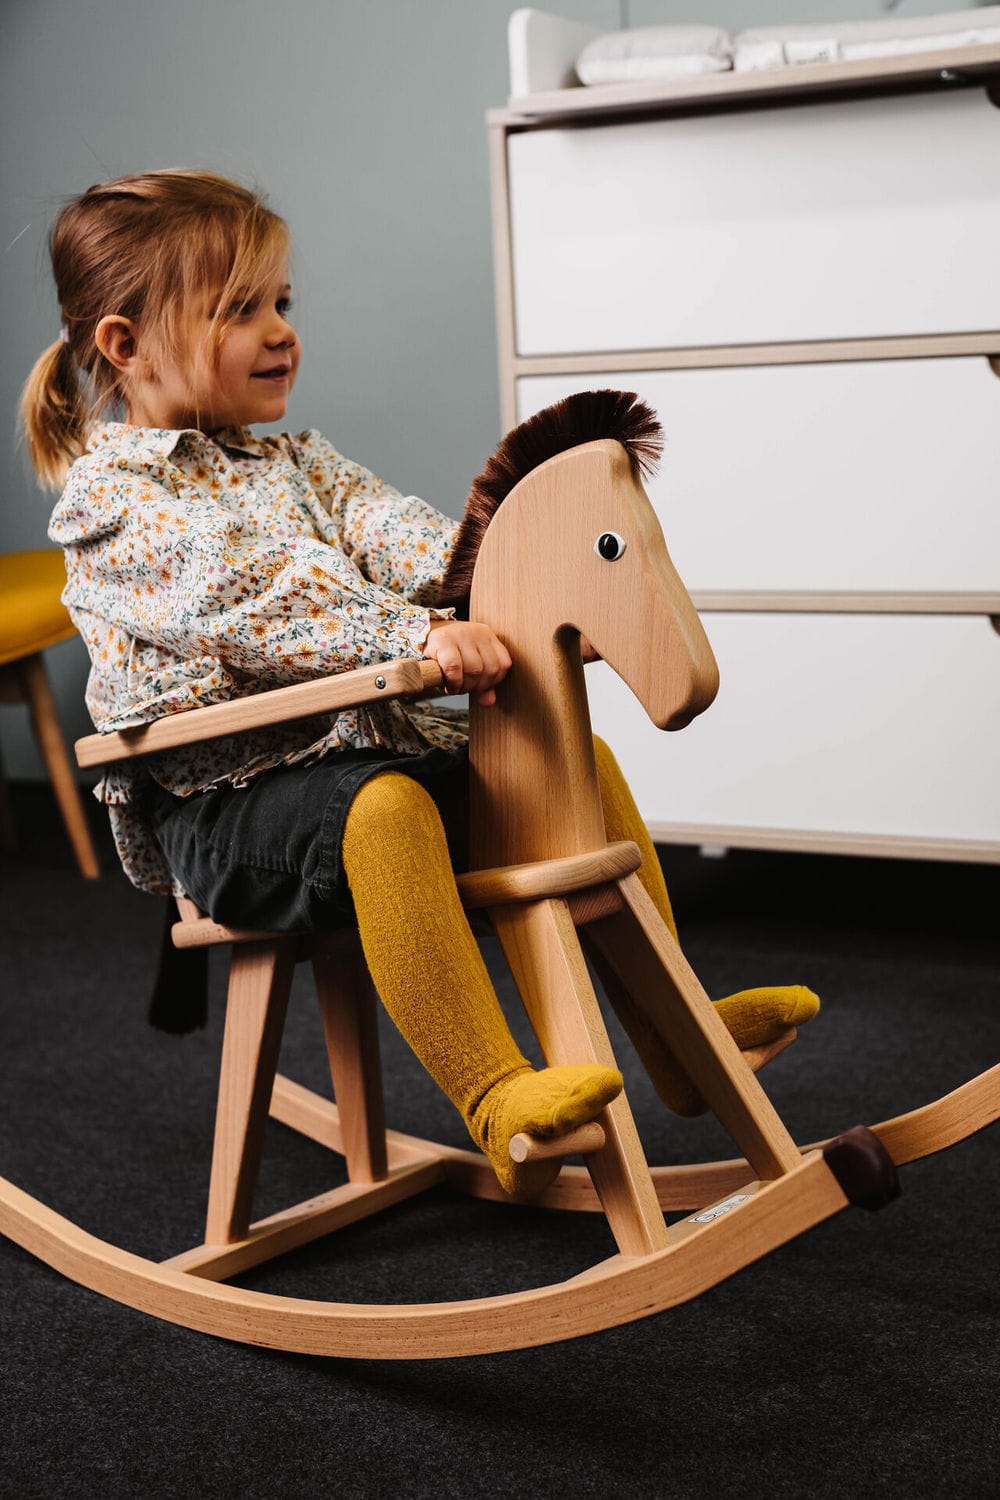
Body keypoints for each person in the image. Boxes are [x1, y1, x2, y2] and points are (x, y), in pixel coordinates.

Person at [22, 170, 817, 1199]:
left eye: (282, 304)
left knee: (568, 764)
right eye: (241, 310)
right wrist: (414, 636)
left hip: (352, 761)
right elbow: (250, 594)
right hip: (225, 811)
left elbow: (399, 533)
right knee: (388, 808)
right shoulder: (119, 501)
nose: (279, 332)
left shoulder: (297, 461)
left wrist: (507, 592)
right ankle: (495, 1098)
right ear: (125, 346)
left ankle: (677, 1041)